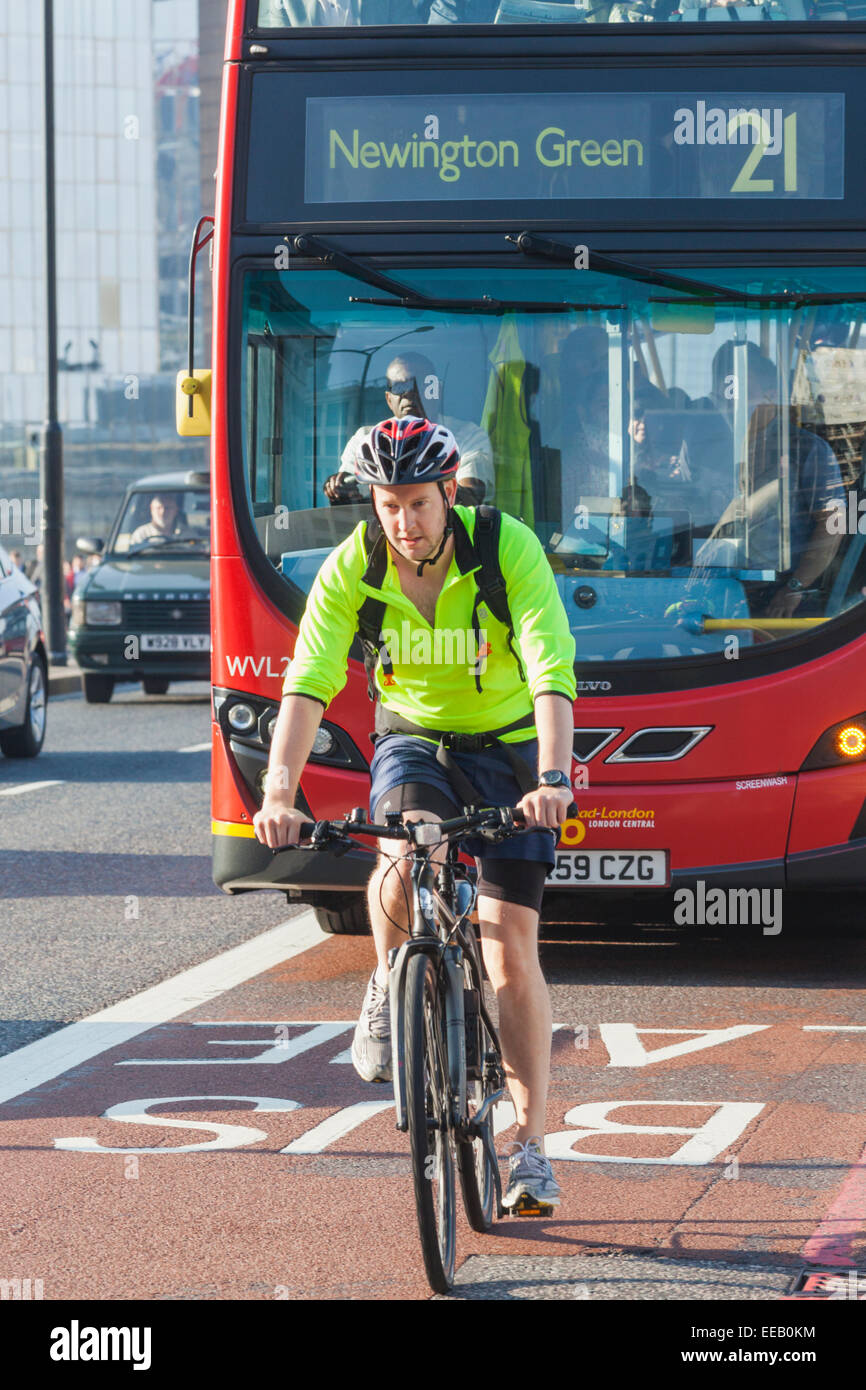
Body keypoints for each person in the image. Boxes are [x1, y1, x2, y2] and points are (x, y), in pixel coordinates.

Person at [254, 415, 577, 1215]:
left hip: (508, 748)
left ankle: (531, 1147)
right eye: (387, 505)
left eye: (418, 504)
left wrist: (551, 776)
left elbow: (550, 665)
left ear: (451, 491)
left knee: (509, 952)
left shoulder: (506, 548)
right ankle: (387, 977)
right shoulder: (353, 568)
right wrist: (276, 791)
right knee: (397, 866)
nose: (403, 522)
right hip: (414, 741)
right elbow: (307, 683)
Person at [697, 342, 844, 615]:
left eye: (740, 394)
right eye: (723, 394)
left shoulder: (806, 450)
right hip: (714, 594)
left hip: (781, 599)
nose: (731, 403)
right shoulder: (704, 448)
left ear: (772, 395)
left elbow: (832, 525)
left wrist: (795, 588)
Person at [325, 353, 494, 507]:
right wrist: (339, 489)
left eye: (421, 385)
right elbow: (347, 497)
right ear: (389, 399)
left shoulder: (468, 436)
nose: (410, 393)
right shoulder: (366, 439)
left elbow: (471, 496)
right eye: (399, 387)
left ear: (436, 392)